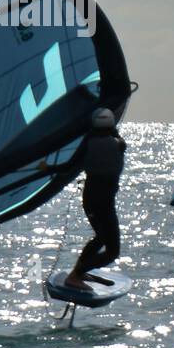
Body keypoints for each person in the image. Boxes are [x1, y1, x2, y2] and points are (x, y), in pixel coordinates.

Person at [65, 107, 126, 288]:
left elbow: (70, 165)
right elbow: (117, 141)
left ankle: (78, 273)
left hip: (92, 200)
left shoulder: (87, 143)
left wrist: (48, 169)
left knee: (100, 238)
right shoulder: (119, 144)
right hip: (103, 203)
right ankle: (77, 274)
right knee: (112, 251)